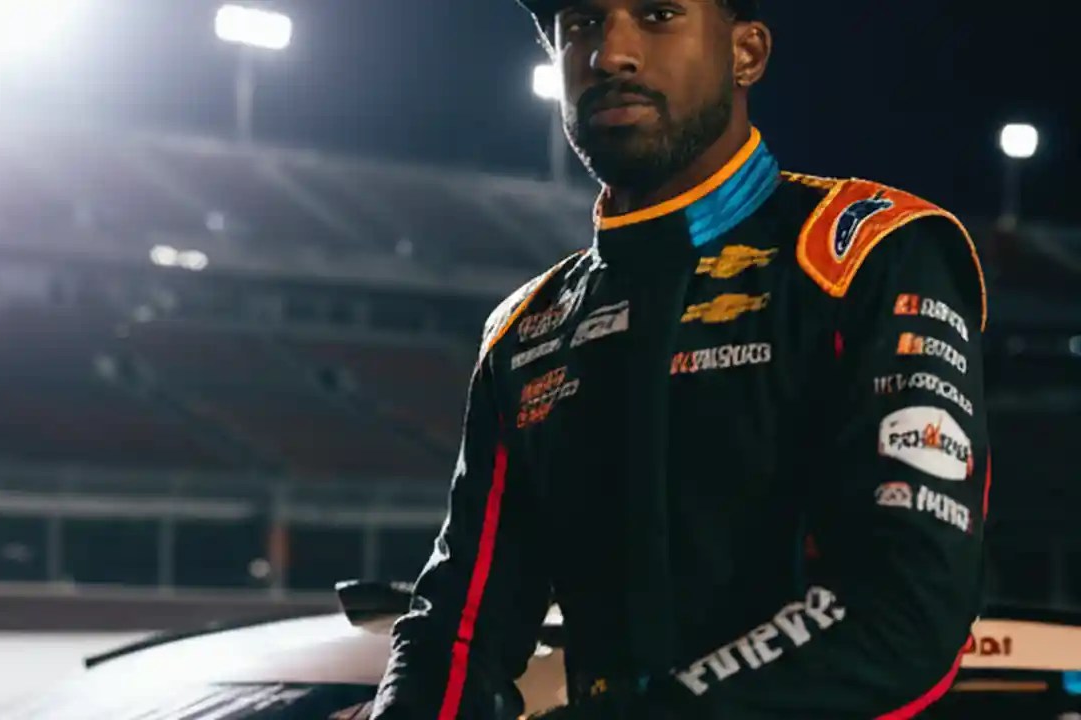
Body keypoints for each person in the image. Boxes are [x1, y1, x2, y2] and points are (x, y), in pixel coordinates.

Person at [371, 0, 989, 717]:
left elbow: (907, 610)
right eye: (583, 25)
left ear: (747, 53)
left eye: (658, 14)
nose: (611, 54)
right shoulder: (525, 330)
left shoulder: (867, 253)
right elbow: (460, 626)